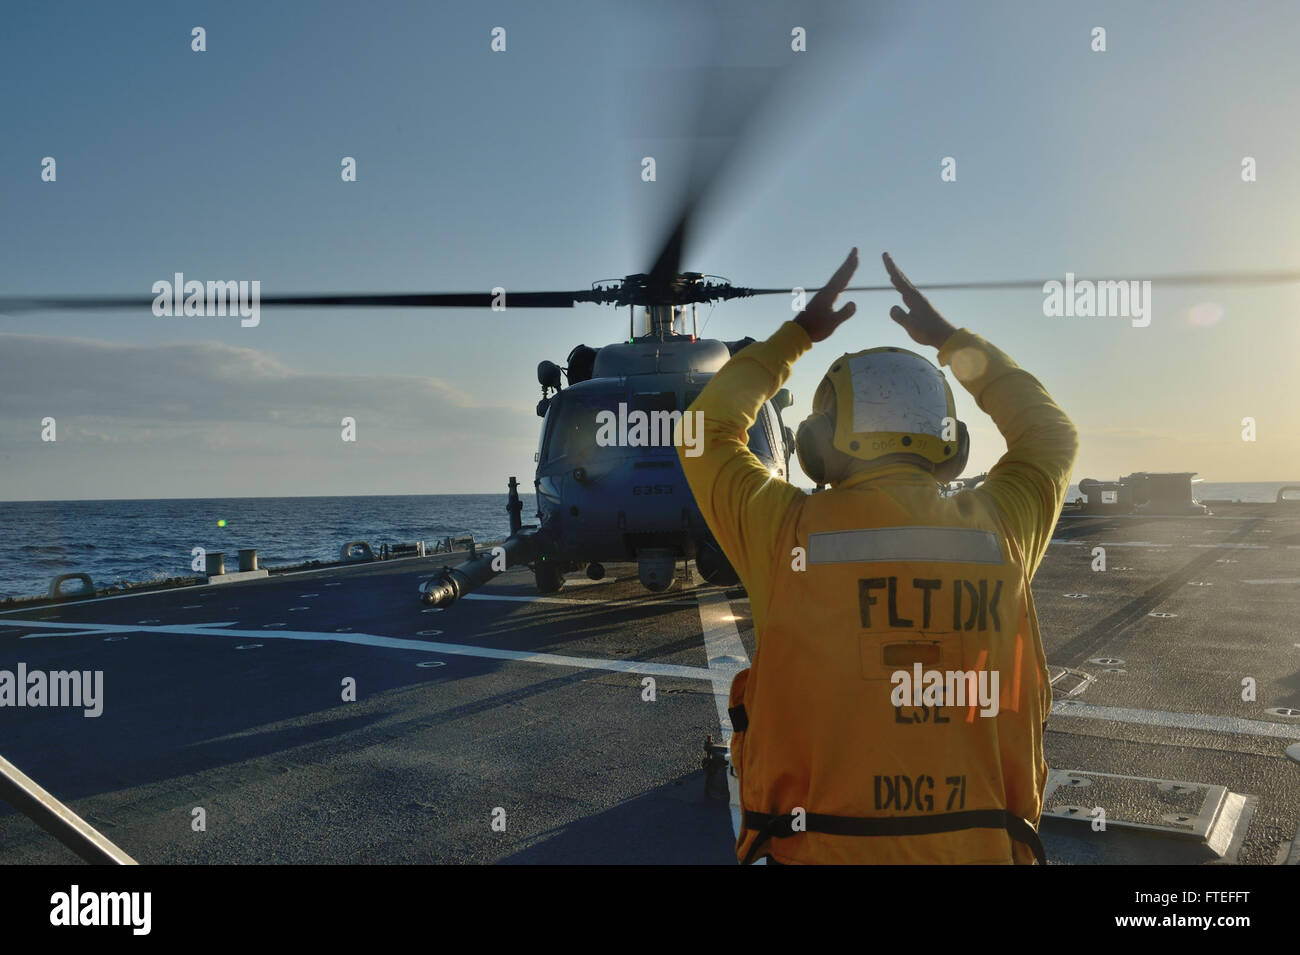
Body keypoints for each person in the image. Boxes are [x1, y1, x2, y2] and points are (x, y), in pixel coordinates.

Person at [677, 249, 1079, 864]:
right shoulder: (1003, 526)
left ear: (815, 445)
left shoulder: (786, 530)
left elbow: (704, 430)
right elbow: (1052, 435)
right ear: (952, 443)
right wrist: (951, 342)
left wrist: (795, 337)